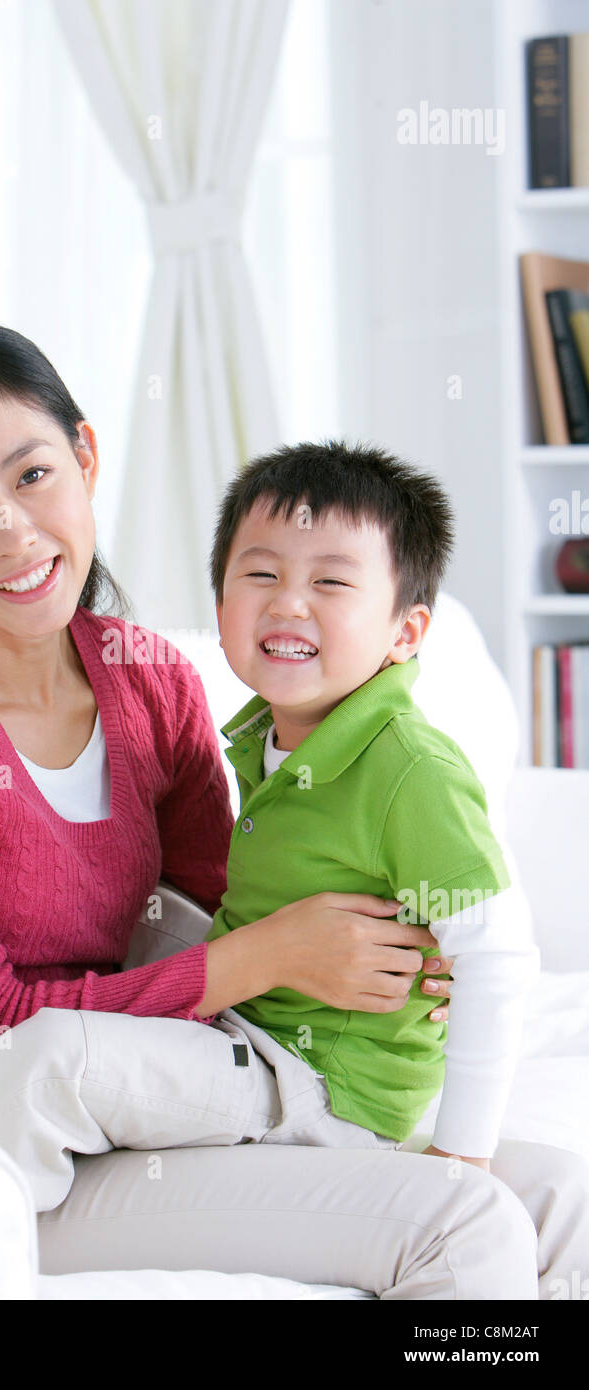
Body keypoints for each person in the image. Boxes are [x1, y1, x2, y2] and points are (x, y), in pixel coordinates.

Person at [0, 318, 587, 1298]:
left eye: (30, 475)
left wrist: (391, 953)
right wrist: (268, 954)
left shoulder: (147, 682)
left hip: (154, 1102)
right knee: (458, 1219)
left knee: (561, 1193)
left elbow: (221, 910)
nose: (10, 532)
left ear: (85, 456)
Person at [204, 440, 539, 1173]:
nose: (288, 601)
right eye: (261, 573)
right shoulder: (262, 740)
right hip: (250, 1039)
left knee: (72, 1063)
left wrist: (461, 1157)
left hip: (332, 1088)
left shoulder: (406, 767)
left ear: (404, 633)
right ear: (221, 604)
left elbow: (497, 953)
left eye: (331, 582)